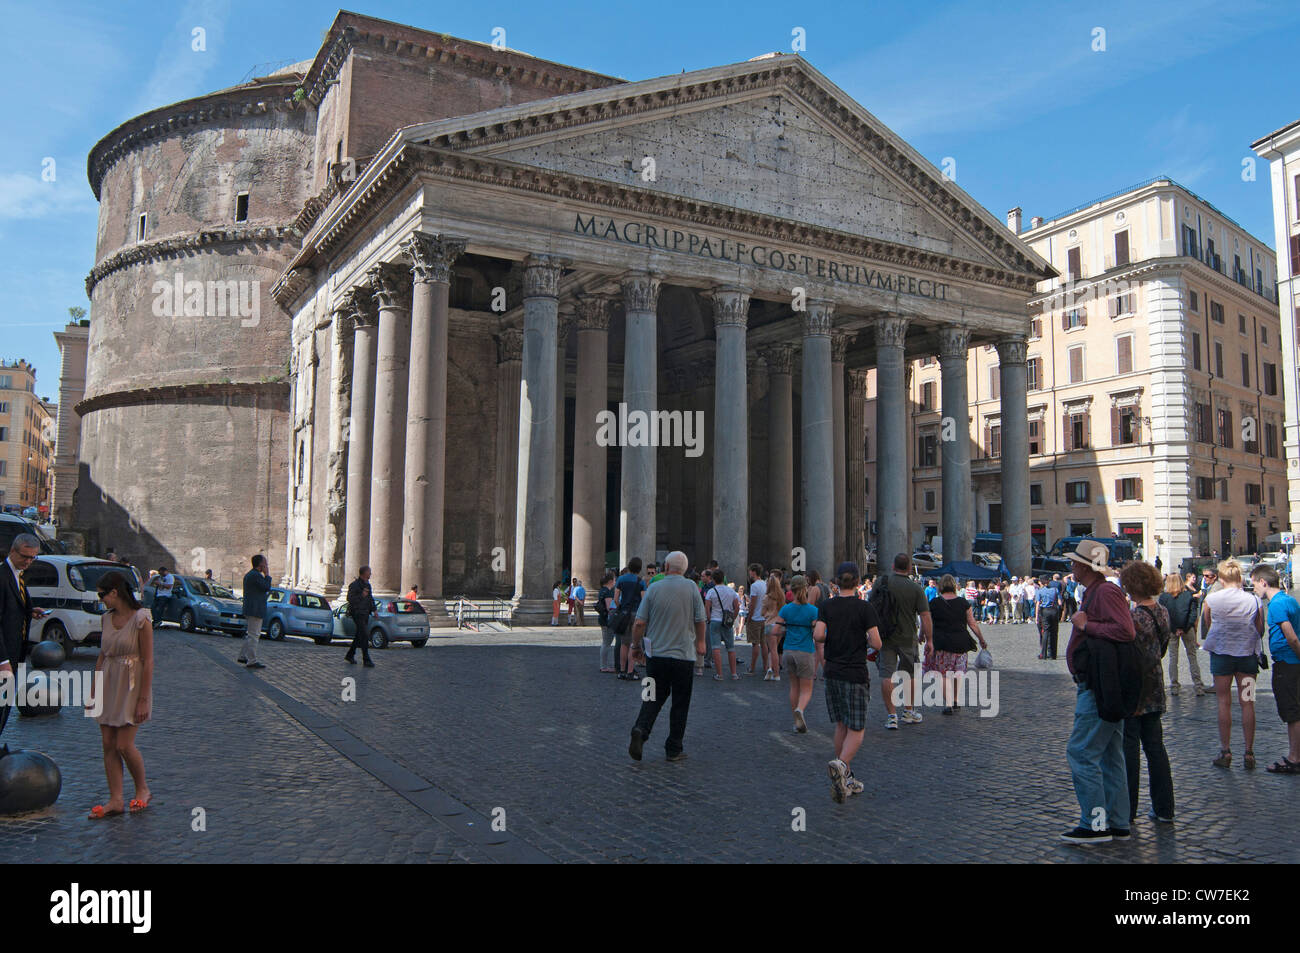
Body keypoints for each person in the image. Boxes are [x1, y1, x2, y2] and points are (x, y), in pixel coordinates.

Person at [1061, 539, 1138, 845]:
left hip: (1098, 686)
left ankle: (1094, 825)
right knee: (1109, 755)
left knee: (1081, 752)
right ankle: (1118, 822)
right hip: (1103, 684)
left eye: (1074, 562)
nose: (1071, 566)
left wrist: (1086, 625)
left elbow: (1125, 630)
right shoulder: (1099, 591)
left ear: (1085, 566)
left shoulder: (1104, 592)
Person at [85, 571, 154, 819]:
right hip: (109, 681)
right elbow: (102, 656)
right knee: (108, 744)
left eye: (102, 594)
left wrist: (144, 698)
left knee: (124, 744)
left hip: (132, 685)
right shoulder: (105, 619)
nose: (101, 599)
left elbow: (148, 661)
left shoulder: (141, 619)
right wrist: (94, 690)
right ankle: (116, 799)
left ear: (115, 592)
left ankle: (142, 788)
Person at [628, 552, 706, 762]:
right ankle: (673, 748)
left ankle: (640, 729)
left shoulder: (653, 587)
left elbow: (639, 623)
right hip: (683, 657)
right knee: (680, 703)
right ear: (685, 569)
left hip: (656, 658)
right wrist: (701, 642)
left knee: (651, 696)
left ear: (667, 566)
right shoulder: (691, 587)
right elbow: (700, 619)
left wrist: (636, 646)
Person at [815, 561, 881, 801]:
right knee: (857, 727)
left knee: (841, 724)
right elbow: (876, 643)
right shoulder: (865, 608)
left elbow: (819, 635)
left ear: (837, 581)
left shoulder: (827, 606)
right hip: (854, 671)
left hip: (832, 670)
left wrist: (835, 634)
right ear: (857, 582)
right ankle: (842, 765)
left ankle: (847, 776)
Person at [1119, 561, 1175, 825]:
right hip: (1155, 684)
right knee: (1156, 749)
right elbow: (1161, 648)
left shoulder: (1135, 617)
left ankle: (1127, 809)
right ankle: (1164, 808)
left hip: (1135, 688)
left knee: (1129, 749)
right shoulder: (1162, 611)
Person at [1200, 559, 1263, 769]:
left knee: (1223, 702)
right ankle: (1249, 752)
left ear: (1221, 577)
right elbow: (1260, 628)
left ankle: (1226, 750)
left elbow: (1207, 624)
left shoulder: (1212, 598)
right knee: (1248, 702)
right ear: (1240, 577)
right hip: (1247, 655)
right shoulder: (1253, 600)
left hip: (1222, 654)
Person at [872, 553, 931, 728]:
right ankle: (908, 711)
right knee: (909, 675)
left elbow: (871, 608)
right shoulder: (915, 588)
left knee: (886, 675)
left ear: (893, 566)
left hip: (885, 636)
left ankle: (891, 716)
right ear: (909, 568)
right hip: (907, 637)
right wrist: (929, 639)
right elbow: (925, 617)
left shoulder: (880, 583)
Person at [1251, 566, 1300, 773]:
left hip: (1287, 663)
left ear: (1264, 582)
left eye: (1253, 583)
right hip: (1292, 663)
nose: (1253, 588)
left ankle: (1294, 757)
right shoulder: (1289, 600)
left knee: (1292, 711)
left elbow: (1291, 636)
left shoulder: (1277, 605)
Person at [0, 534, 45, 741]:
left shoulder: (17, 575)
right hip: (4, 657)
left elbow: (13, 607)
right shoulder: (2, 576)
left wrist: (29, 610)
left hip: (14, 653)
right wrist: (3, 661)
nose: (28, 561)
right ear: (12, 551)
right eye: (25, 556)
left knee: (4, 706)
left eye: (32, 558)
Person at [925, 574, 986, 714]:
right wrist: (981, 639)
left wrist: (923, 635)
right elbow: (972, 624)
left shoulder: (934, 603)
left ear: (940, 586)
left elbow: (927, 622)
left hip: (941, 642)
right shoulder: (963, 603)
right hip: (960, 642)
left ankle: (948, 704)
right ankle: (956, 700)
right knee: (958, 672)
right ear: (954, 586)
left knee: (943, 674)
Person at [771, 575, 819, 731]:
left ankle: (795, 720)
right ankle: (801, 709)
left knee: (793, 686)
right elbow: (816, 632)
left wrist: (788, 630)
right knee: (807, 689)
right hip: (805, 651)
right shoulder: (813, 610)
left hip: (788, 651)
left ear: (791, 589)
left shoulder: (786, 608)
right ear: (806, 589)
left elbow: (775, 630)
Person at [1158, 573, 1204, 696]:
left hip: (1171, 629)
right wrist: (1184, 627)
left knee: (1173, 657)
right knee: (1192, 656)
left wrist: (1174, 629)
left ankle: (1174, 686)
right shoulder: (1188, 595)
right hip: (1187, 629)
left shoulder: (1164, 597)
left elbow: (1163, 615)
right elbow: (1193, 614)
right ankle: (1198, 685)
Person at [702, 570, 741, 680]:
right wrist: (732, 618)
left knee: (716, 648)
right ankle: (734, 673)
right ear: (723, 578)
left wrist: (709, 619)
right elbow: (736, 607)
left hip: (715, 620)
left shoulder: (711, 591)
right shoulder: (731, 591)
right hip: (727, 621)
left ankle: (720, 674)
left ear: (713, 579)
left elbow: (707, 607)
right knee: (731, 647)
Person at [614, 558, 646, 680]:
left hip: (624, 614)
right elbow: (644, 600)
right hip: (636, 614)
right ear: (639, 568)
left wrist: (621, 608)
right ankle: (630, 671)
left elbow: (616, 598)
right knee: (634, 643)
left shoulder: (621, 579)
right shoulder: (641, 581)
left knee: (624, 643)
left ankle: (621, 670)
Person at [239, 555, 272, 669]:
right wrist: (267, 575)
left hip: (252, 608)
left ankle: (243, 656)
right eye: (265, 563)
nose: (267, 565)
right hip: (255, 609)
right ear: (260, 564)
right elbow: (266, 587)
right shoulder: (255, 576)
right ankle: (251, 660)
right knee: (254, 635)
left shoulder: (251, 575)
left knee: (250, 634)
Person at [345, 566, 377, 667]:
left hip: (365, 613)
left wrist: (374, 610)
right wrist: (361, 596)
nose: (370, 574)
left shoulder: (368, 585)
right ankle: (366, 659)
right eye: (369, 572)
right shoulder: (354, 585)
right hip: (357, 613)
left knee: (359, 635)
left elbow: (370, 599)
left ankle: (350, 655)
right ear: (363, 573)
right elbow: (350, 598)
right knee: (364, 635)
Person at [744, 563, 768, 676]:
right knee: (764, 643)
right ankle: (765, 666)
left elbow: (752, 604)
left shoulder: (754, 586)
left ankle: (752, 667)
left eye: (750, 572)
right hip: (764, 617)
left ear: (753, 572)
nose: (749, 574)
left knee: (755, 644)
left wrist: (749, 618)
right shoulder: (765, 584)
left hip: (755, 618)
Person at [762, 572, 785, 681]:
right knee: (774, 649)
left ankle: (776, 674)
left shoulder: (767, 598)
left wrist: (767, 613)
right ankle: (771, 669)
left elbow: (763, 612)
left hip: (769, 624)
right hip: (780, 625)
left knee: (773, 650)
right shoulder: (781, 596)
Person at [1036, 575, 1063, 659]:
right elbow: (1060, 603)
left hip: (1045, 611)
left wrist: (1036, 616)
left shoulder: (1039, 591)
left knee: (1046, 632)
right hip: (1054, 611)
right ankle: (1053, 655)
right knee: (1054, 632)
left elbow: (1038, 604)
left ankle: (1043, 654)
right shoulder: (1055, 590)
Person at [597, 570, 617, 672]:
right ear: (610, 581)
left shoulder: (602, 590)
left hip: (602, 618)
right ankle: (604, 666)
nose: (615, 581)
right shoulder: (608, 591)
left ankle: (603, 665)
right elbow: (610, 607)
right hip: (607, 620)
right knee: (607, 643)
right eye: (614, 579)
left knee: (605, 643)